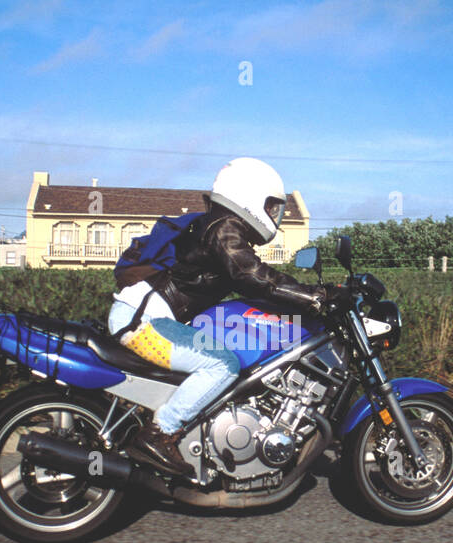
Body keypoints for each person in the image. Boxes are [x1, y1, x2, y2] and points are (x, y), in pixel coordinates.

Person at [110, 157, 327, 478]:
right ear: (247, 194)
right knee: (222, 364)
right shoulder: (223, 228)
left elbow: (251, 281)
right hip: (143, 323)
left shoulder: (218, 226)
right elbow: (252, 275)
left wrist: (301, 297)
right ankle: (158, 434)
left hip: (146, 318)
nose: (273, 216)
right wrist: (313, 298)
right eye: (271, 206)